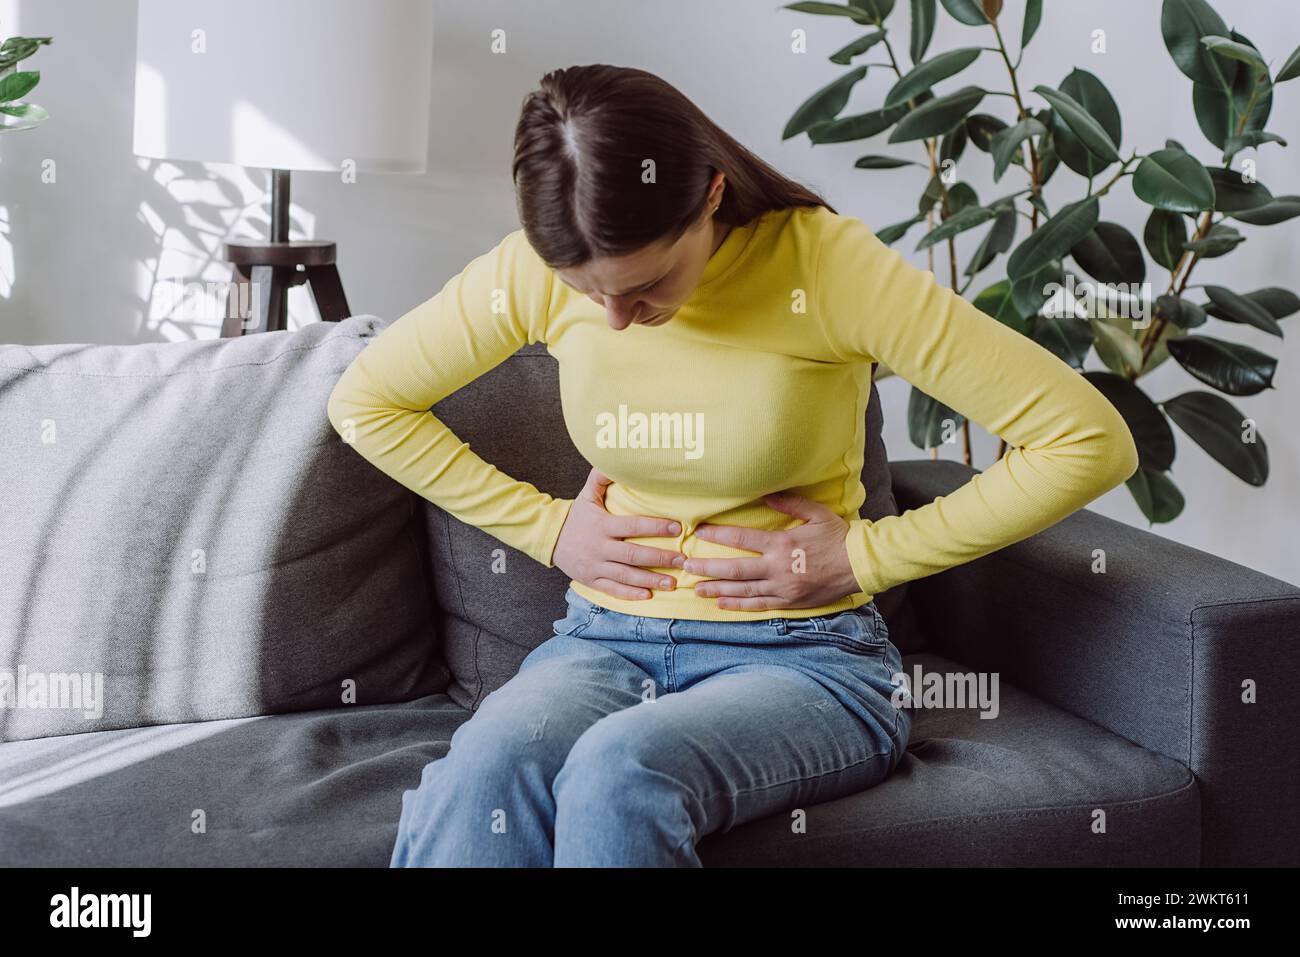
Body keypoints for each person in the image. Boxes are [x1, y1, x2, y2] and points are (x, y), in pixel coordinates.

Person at [326, 64, 1139, 867]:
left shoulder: (826, 267)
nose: (615, 320)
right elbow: (366, 402)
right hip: (603, 638)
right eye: (587, 292)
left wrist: (867, 554)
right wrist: (547, 528)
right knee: (483, 773)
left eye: (644, 285)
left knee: (620, 772)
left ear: (711, 193)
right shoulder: (530, 274)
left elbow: (1089, 440)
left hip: (805, 656)